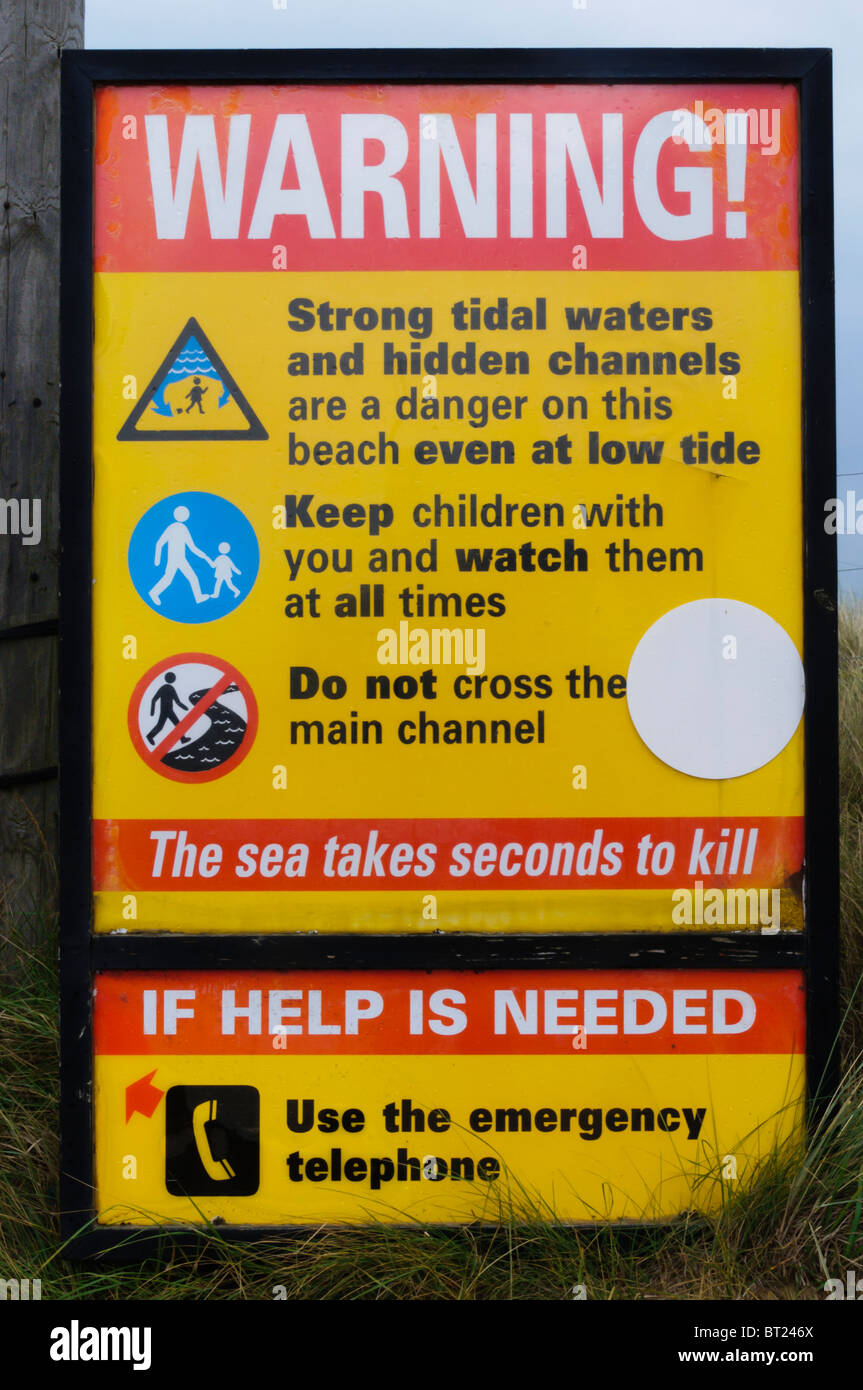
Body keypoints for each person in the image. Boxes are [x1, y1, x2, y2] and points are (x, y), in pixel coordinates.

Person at [149, 505, 213, 606]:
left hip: (181, 559)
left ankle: (199, 597)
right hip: (174, 559)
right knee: (169, 579)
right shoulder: (173, 528)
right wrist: (157, 559)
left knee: (192, 577)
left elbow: (192, 547)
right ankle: (153, 593)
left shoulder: (183, 528)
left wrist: (206, 557)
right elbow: (160, 543)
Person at [146, 671, 191, 744]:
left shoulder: (164, 688)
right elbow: (177, 701)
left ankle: (150, 736)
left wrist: (152, 711)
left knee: (161, 726)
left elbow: (154, 699)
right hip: (167, 710)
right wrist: (184, 707)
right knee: (172, 725)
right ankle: (150, 736)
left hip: (167, 710)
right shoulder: (170, 688)